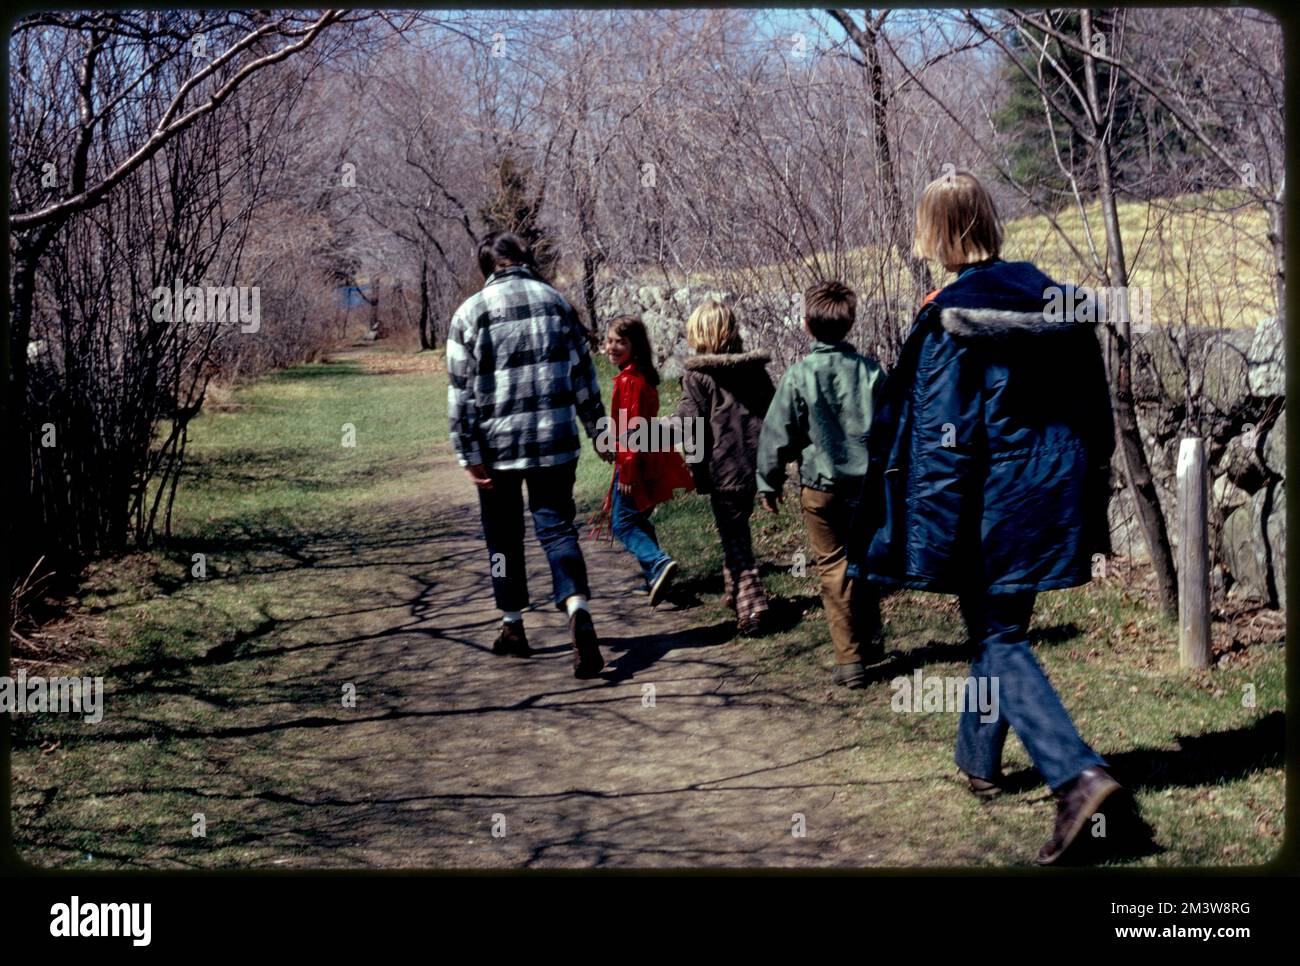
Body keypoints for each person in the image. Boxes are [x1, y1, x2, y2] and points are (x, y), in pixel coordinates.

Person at [857, 170, 1120, 864]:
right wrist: (1086, 488)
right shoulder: (1056, 304)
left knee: (999, 640)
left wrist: (927, 540)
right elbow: (1097, 414)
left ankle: (1076, 774)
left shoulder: (951, 319)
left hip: (988, 503)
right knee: (1000, 631)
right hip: (1050, 492)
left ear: (935, 233)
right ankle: (977, 758)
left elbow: (942, 443)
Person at [446, 231, 612, 679]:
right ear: (523, 259)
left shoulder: (469, 313)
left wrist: (467, 452)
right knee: (558, 530)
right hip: (554, 442)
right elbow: (585, 379)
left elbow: (461, 395)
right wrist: (599, 432)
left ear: (487, 267)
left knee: (503, 538)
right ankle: (576, 607)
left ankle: (513, 625)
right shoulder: (557, 304)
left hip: (497, 450)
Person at [756, 281, 886, 688]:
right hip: (869, 488)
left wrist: (769, 481)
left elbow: (779, 432)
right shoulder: (872, 373)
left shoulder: (799, 376)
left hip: (821, 488)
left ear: (807, 324)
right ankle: (872, 640)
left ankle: (850, 660)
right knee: (865, 561)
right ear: (850, 323)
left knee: (833, 567)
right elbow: (894, 429)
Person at [675, 299, 776, 635]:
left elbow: (691, 426)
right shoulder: (756, 372)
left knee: (736, 539)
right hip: (754, 466)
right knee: (734, 530)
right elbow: (774, 416)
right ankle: (734, 592)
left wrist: (695, 468)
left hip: (724, 471)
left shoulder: (697, 378)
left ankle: (753, 607)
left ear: (699, 335)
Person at [598, 315, 695, 606]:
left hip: (637, 462)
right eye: (609, 340)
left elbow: (630, 429)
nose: (612, 347)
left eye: (621, 342)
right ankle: (655, 576)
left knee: (623, 523)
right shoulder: (640, 375)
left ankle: (658, 562)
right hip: (647, 455)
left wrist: (626, 470)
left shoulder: (629, 381)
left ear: (635, 346)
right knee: (638, 517)